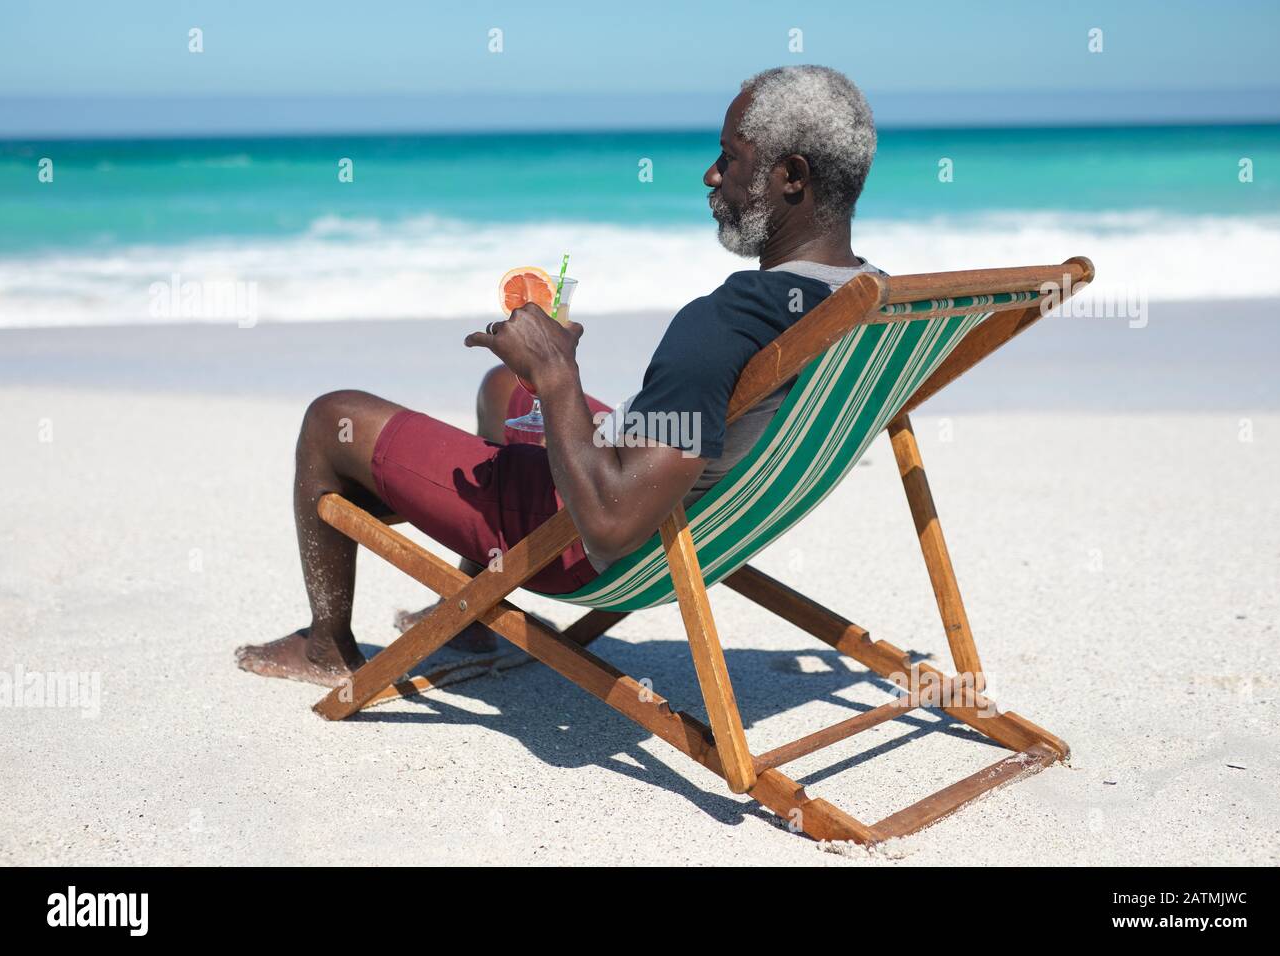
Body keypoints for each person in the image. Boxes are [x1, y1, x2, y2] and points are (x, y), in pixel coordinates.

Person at [235, 64, 884, 687]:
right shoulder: (871, 297)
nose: (711, 175)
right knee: (501, 390)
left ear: (791, 177)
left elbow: (609, 526)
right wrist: (542, 381)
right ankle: (470, 621)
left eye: (731, 156)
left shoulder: (723, 324)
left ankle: (326, 645)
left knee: (331, 419)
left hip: (591, 534)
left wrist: (556, 372)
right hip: (699, 511)